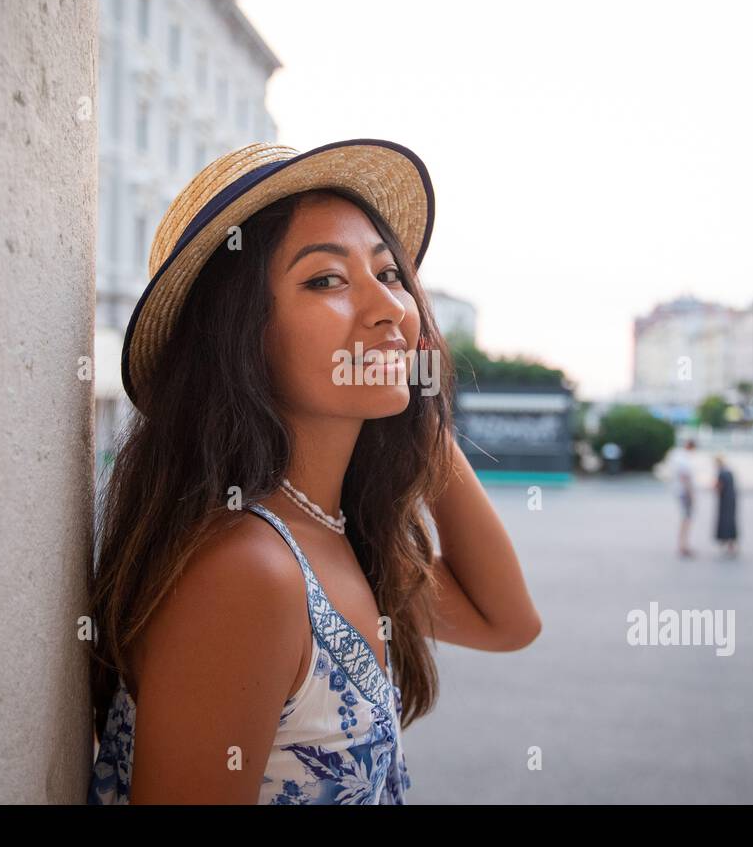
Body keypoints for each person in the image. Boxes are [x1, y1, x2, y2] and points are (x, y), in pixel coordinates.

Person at [87, 140, 539, 805]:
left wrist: (416, 415)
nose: (389, 307)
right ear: (239, 337)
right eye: (326, 279)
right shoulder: (248, 570)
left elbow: (508, 623)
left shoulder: (339, 536)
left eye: (389, 274)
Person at [672, 438, 696, 557]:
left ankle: (683, 545)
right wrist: (692, 495)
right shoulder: (684, 459)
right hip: (684, 493)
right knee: (686, 519)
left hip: (680, 492)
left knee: (685, 519)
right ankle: (683, 546)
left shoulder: (678, 457)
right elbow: (685, 478)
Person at [713, 454, 739, 557]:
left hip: (724, 501)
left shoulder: (721, 473)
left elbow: (718, 487)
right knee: (731, 521)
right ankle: (731, 544)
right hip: (732, 500)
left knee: (725, 522)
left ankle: (726, 543)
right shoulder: (729, 471)